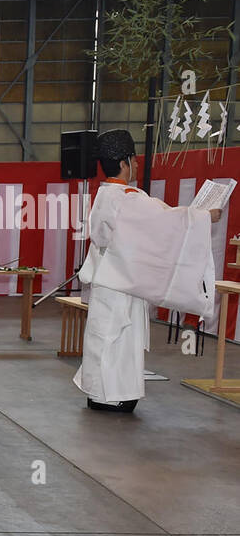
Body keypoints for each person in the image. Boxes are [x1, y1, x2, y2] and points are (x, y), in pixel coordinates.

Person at [74, 129, 223, 412]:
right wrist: (205, 216)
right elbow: (165, 221)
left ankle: (105, 393)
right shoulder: (126, 198)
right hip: (119, 285)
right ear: (123, 163)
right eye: (134, 159)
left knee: (106, 340)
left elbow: (157, 220)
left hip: (112, 282)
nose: (137, 165)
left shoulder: (107, 195)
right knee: (116, 342)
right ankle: (112, 396)